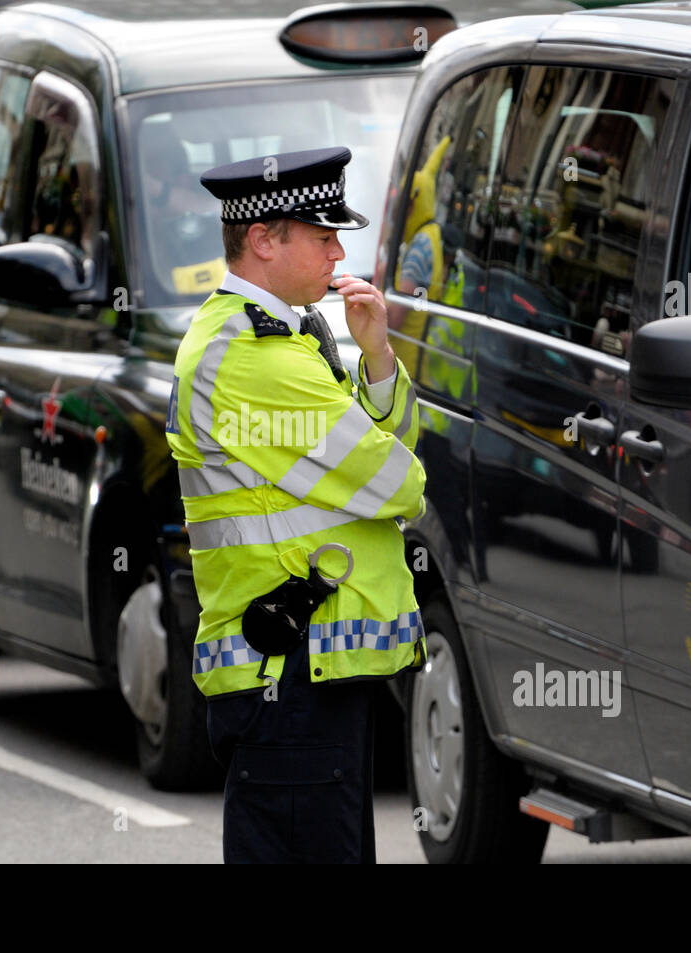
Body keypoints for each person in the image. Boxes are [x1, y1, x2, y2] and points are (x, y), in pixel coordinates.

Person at [165, 147, 427, 863]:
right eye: (323, 235)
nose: (340, 251)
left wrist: (376, 357)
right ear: (263, 239)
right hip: (288, 669)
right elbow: (401, 485)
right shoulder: (257, 357)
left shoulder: (286, 338)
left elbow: (391, 463)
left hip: (305, 665)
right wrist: (382, 447)